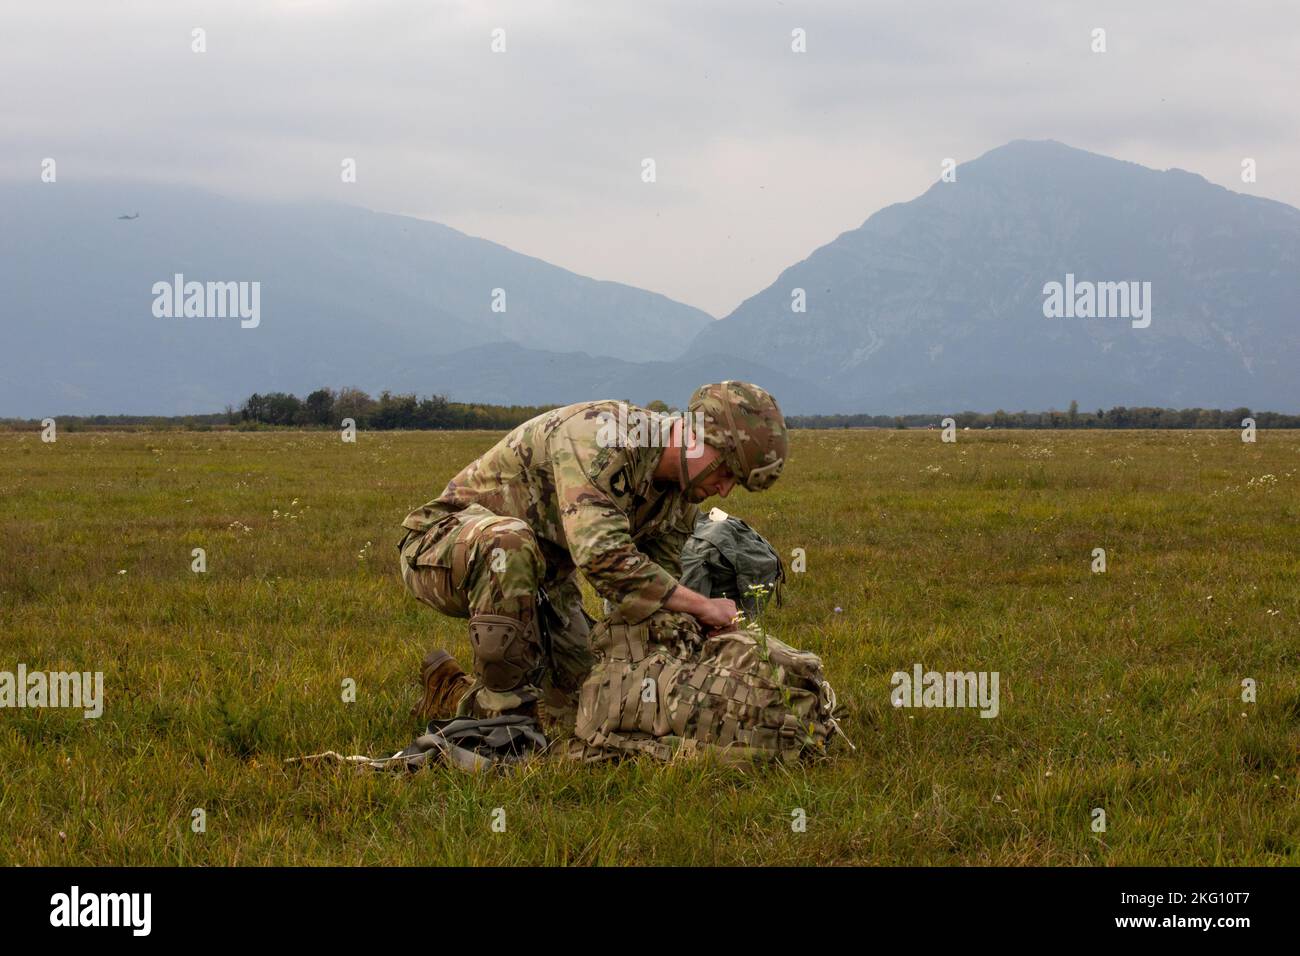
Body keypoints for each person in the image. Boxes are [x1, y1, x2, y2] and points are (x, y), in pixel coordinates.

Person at [397, 381, 788, 725]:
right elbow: (602, 556)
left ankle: (449, 691)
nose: (723, 492)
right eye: (724, 473)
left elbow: (653, 592)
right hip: (445, 547)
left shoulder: (679, 500)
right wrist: (702, 605)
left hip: (544, 579)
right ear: (695, 436)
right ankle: (500, 721)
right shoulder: (604, 437)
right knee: (510, 542)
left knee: (585, 702)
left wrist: (689, 637)